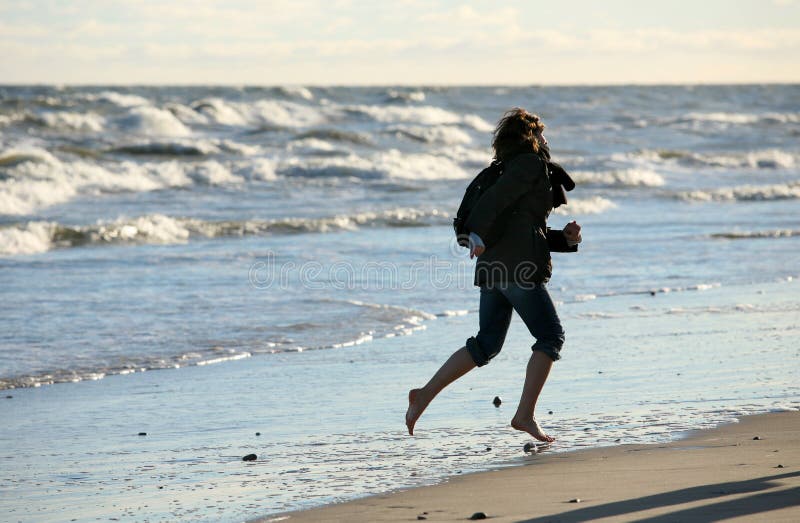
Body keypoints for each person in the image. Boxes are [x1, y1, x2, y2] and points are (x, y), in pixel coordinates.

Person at [405, 108, 582, 442]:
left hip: (494, 269)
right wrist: (475, 232)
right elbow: (494, 204)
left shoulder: (505, 169)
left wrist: (566, 240)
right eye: (541, 133)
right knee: (550, 337)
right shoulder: (529, 165)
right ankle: (524, 415)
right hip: (519, 269)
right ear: (529, 138)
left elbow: (524, 227)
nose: (546, 139)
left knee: (486, 344)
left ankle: (423, 395)